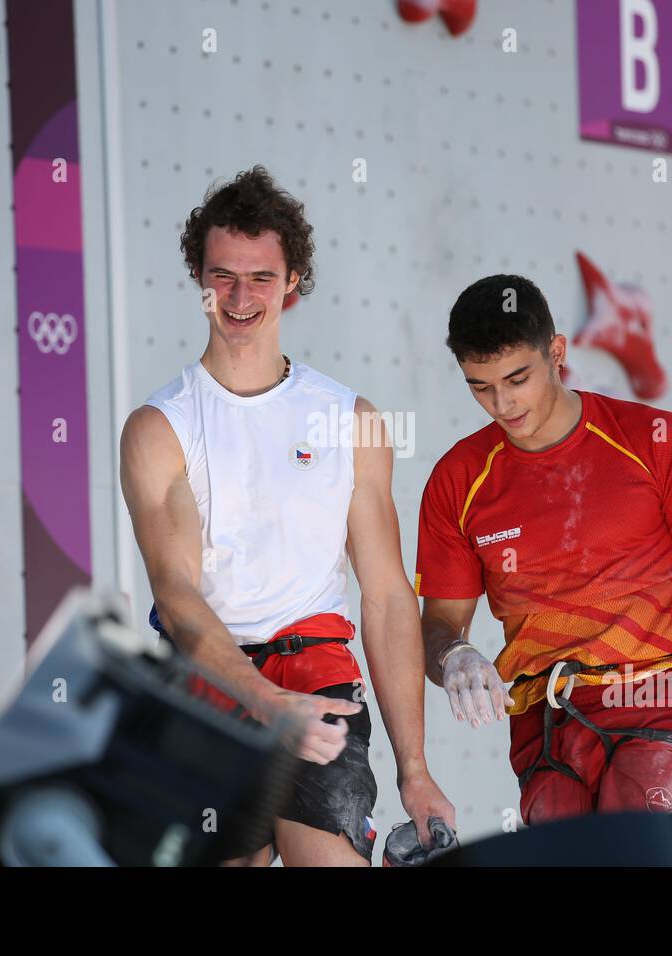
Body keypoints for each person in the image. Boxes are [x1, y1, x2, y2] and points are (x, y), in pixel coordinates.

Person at [119, 167, 452, 865]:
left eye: (262, 277)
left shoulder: (349, 420)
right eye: (223, 276)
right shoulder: (160, 429)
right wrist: (265, 704)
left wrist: (414, 772)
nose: (241, 298)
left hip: (318, 676)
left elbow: (388, 597)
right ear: (199, 276)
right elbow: (178, 602)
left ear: (294, 280)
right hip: (208, 689)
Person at [414, 274, 672, 838]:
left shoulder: (657, 440)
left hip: (659, 701)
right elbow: (438, 624)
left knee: (638, 847)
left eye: (517, 378)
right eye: (479, 387)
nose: (501, 404)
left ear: (557, 353)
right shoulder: (457, 479)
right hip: (544, 723)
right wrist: (454, 655)